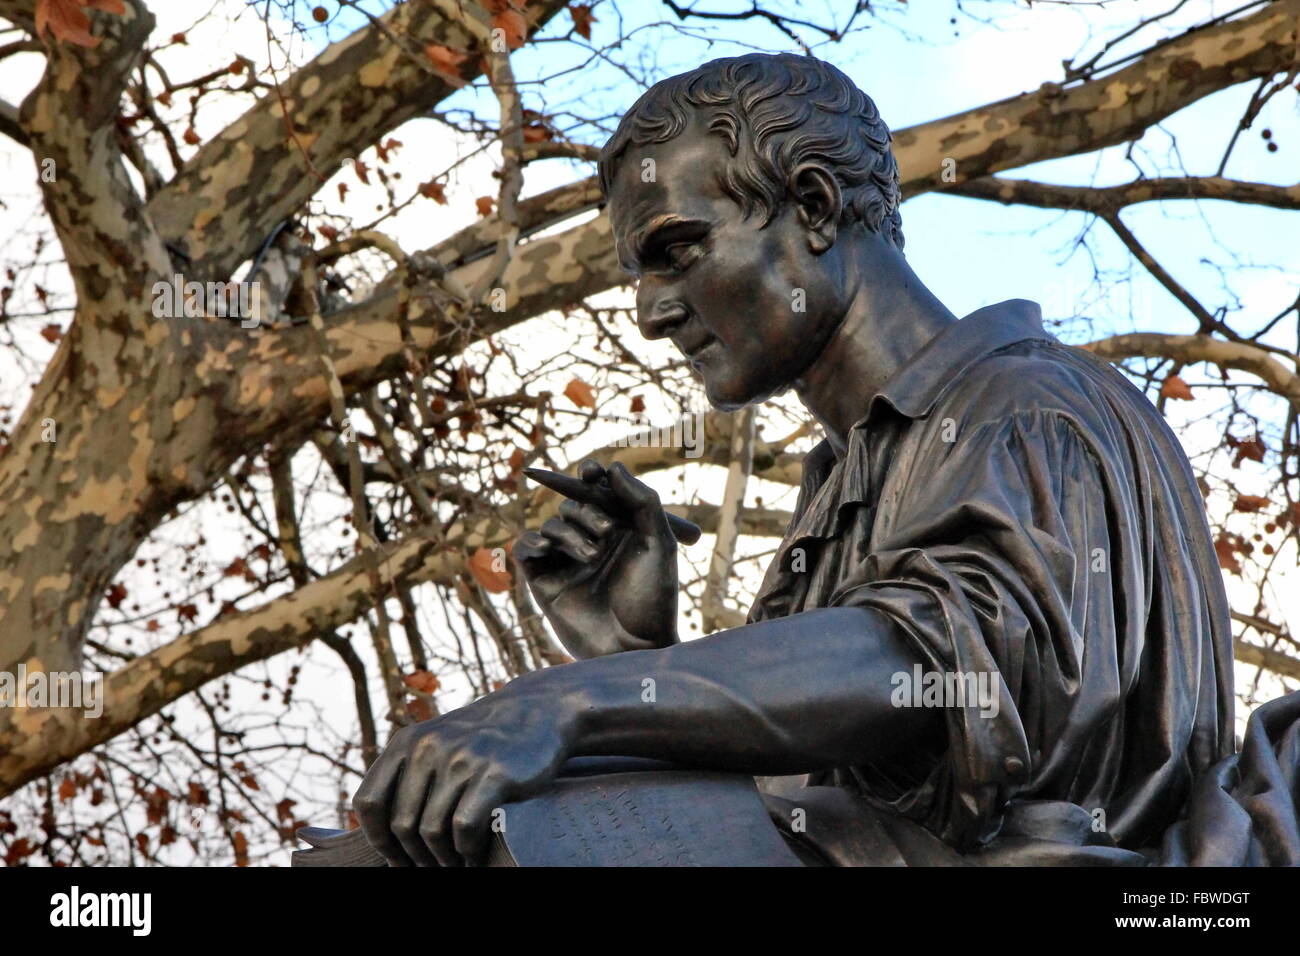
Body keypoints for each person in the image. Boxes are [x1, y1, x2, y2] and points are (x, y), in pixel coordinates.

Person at [352, 53, 1300, 867]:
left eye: (677, 251)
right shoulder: (848, 485)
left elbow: (943, 662)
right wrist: (638, 657)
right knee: (419, 831)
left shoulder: (1022, 404)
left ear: (811, 206)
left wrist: (581, 699)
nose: (650, 311)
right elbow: (800, 798)